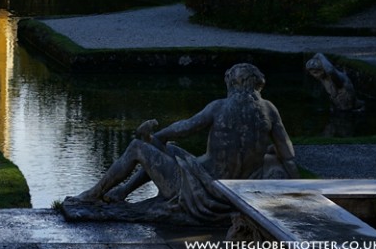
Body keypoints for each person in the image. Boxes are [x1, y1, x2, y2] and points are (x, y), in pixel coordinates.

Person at [74, 63, 298, 222]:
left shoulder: (220, 107)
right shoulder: (269, 109)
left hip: (199, 191)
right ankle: (122, 191)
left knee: (137, 148)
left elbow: (186, 127)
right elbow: (287, 154)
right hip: (235, 192)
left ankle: (93, 194)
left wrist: (158, 136)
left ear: (234, 83)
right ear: (257, 86)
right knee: (169, 149)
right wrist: (301, 190)